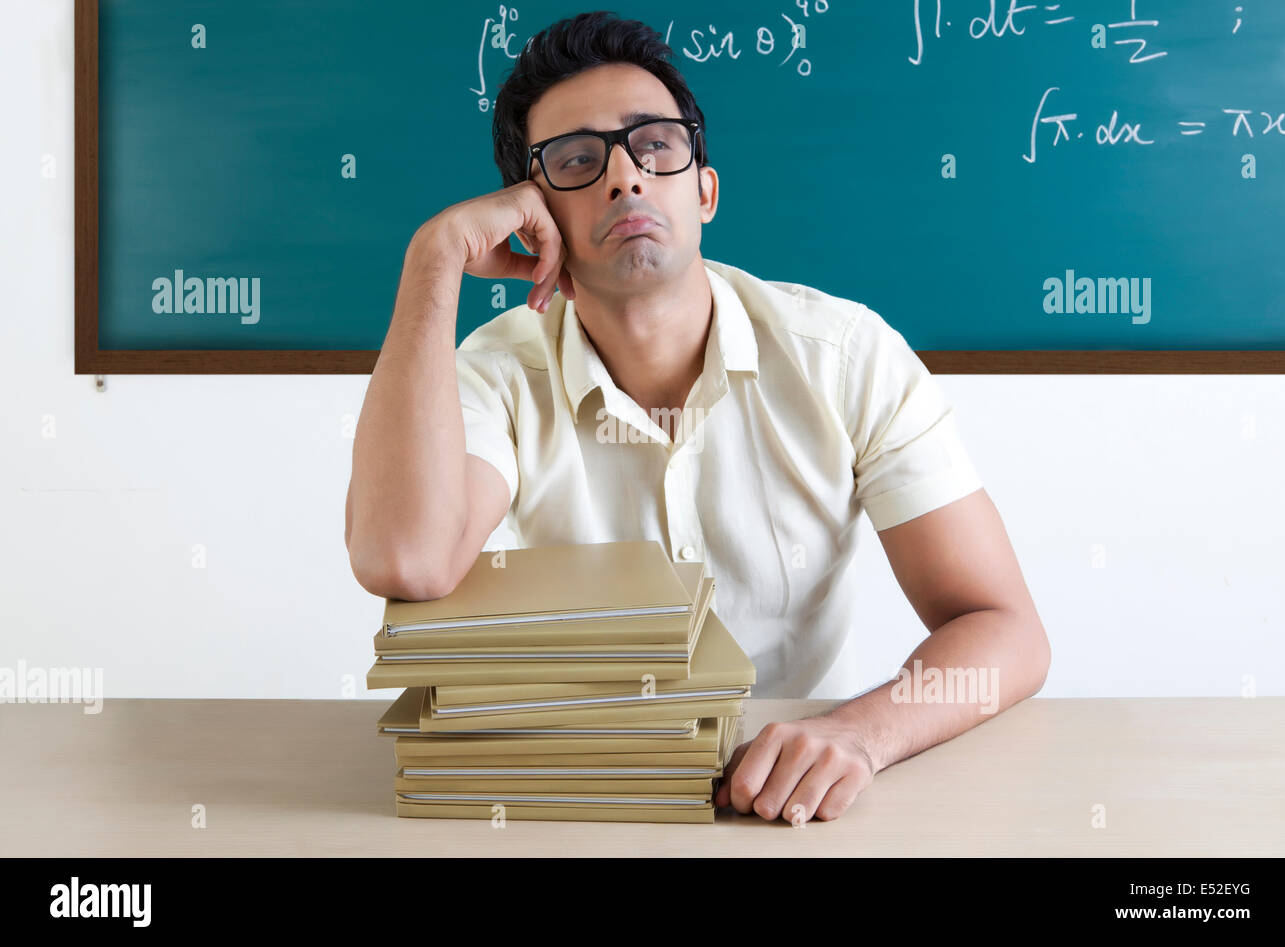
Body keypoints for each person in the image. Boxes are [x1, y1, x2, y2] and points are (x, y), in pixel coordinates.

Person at [345, 11, 1050, 823]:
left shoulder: (845, 356)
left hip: (795, 816)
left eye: (656, 145)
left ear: (704, 189)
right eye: (577, 161)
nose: (626, 178)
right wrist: (432, 258)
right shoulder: (495, 377)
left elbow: (1004, 628)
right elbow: (406, 559)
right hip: (581, 805)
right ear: (533, 221)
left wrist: (857, 734)